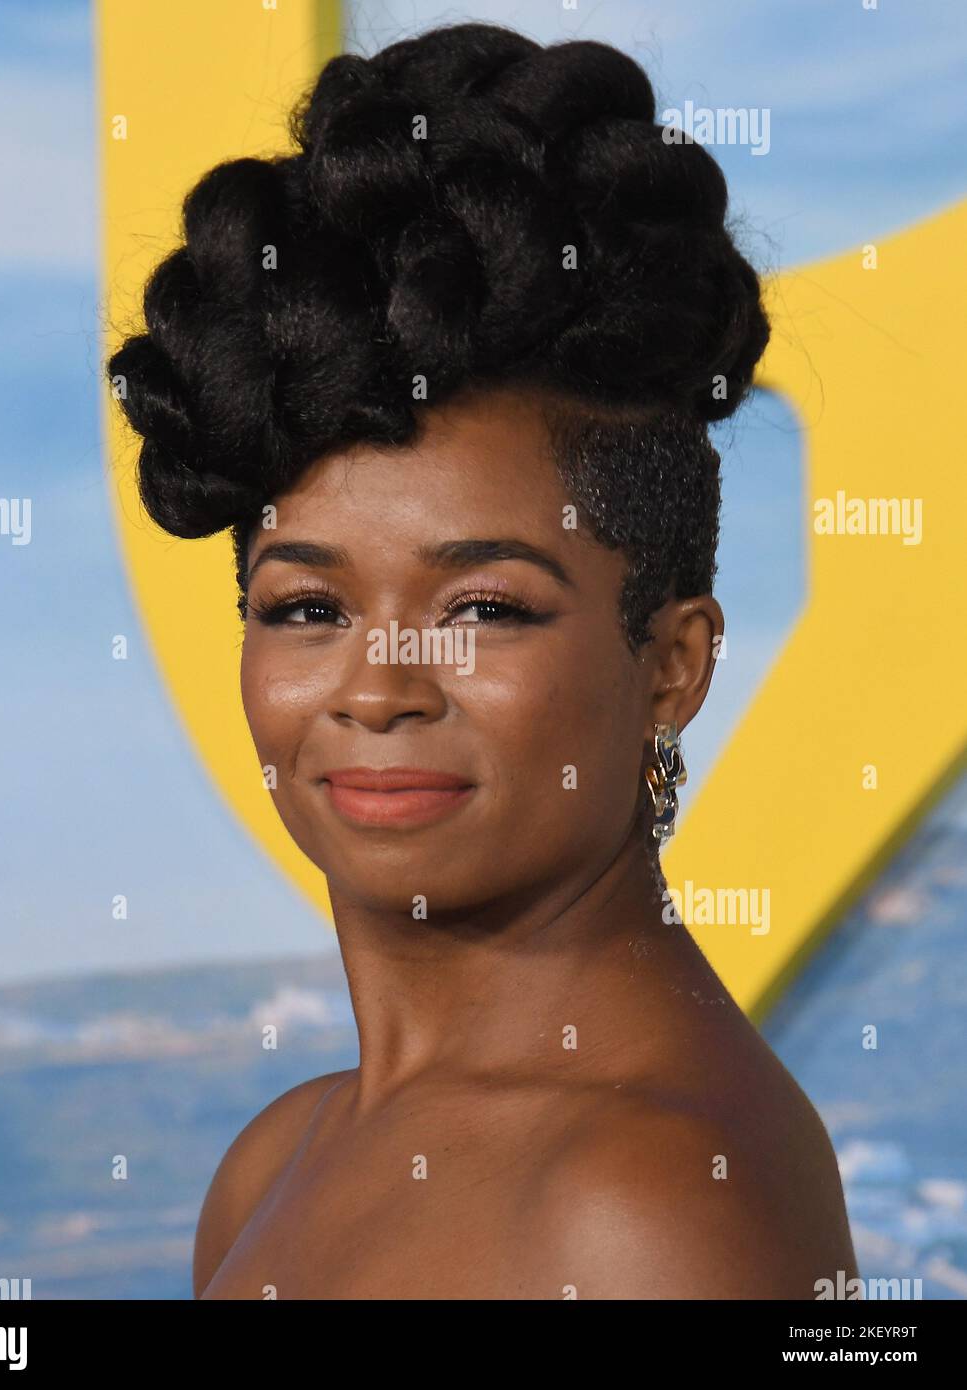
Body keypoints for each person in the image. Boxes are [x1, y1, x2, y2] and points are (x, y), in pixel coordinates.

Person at [108, 20, 858, 1299]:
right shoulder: (276, 1160)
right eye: (304, 609)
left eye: (486, 608)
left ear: (671, 666)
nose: (379, 685)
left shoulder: (650, 1205)